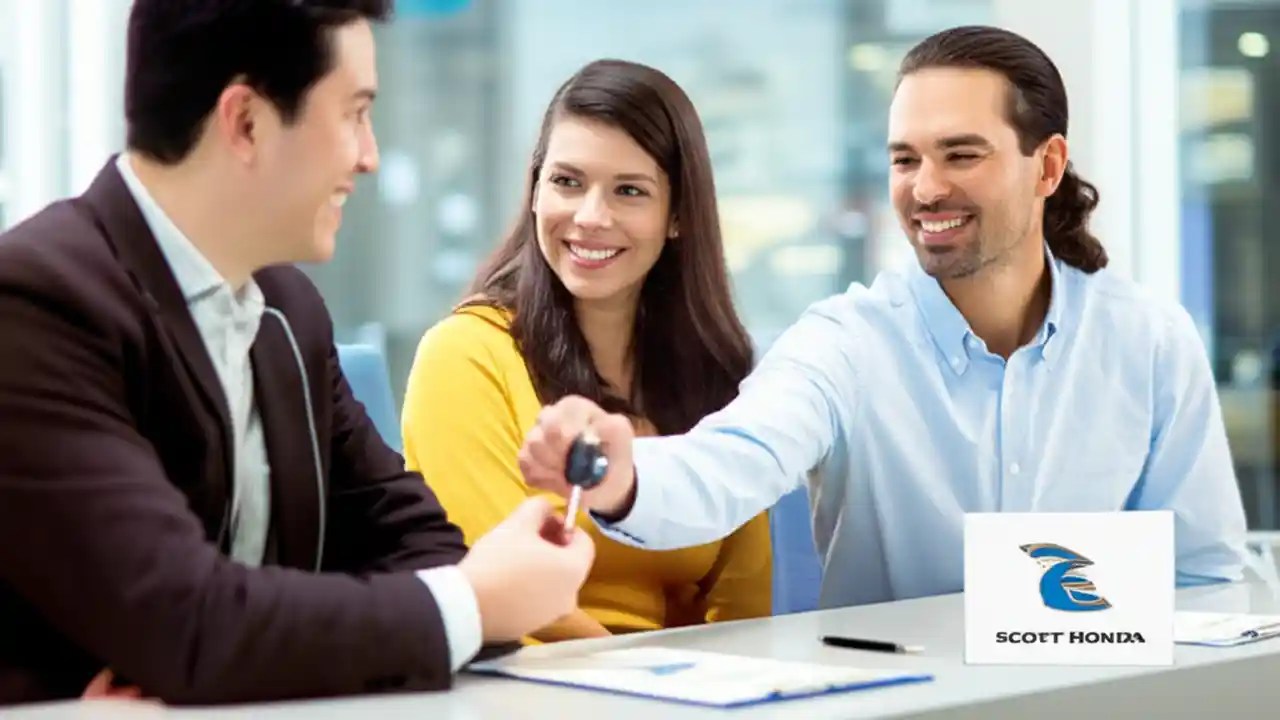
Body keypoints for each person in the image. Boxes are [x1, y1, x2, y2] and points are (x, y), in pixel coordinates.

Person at [518, 25, 1249, 609]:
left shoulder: (1149, 342)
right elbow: (729, 463)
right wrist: (621, 477)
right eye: (905, 160)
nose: (927, 189)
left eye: (962, 154)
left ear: (1047, 168)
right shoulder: (846, 342)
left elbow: (1207, 579)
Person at [0, 0, 592, 706]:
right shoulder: (36, 302)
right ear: (245, 122)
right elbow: (189, 622)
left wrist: (469, 597)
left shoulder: (288, 310)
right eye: (354, 113)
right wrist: (473, 603)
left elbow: (420, 549)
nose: (369, 156)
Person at [401, 59, 772, 643]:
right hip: (530, 686)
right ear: (534, 190)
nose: (591, 217)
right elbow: (507, 594)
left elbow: (743, 601)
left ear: (677, 216)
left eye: (629, 191)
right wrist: (659, 687)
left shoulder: (715, 368)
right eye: (567, 182)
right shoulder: (465, 355)